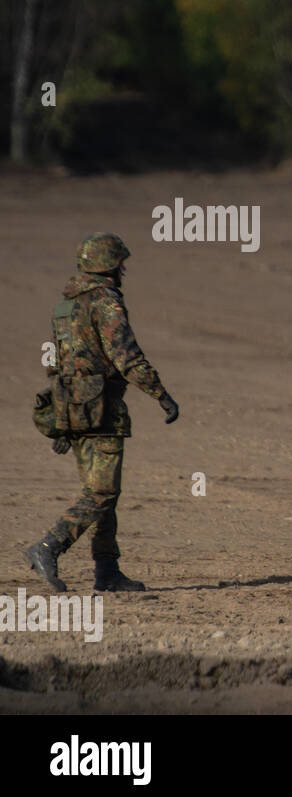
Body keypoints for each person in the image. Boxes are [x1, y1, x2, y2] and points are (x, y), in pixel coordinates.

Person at [21, 233, 179, 593]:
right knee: (103, 493)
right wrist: (161, 394)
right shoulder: (106, 303)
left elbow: (62, 362)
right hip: (101, 410)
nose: (124, 269)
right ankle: (47, 547)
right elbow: (126, 356)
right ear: (108, 266)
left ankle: (107, 572)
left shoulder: (66, 304)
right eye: (120, 263)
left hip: (73, 408)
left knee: (100, 493)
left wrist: (61, 422)